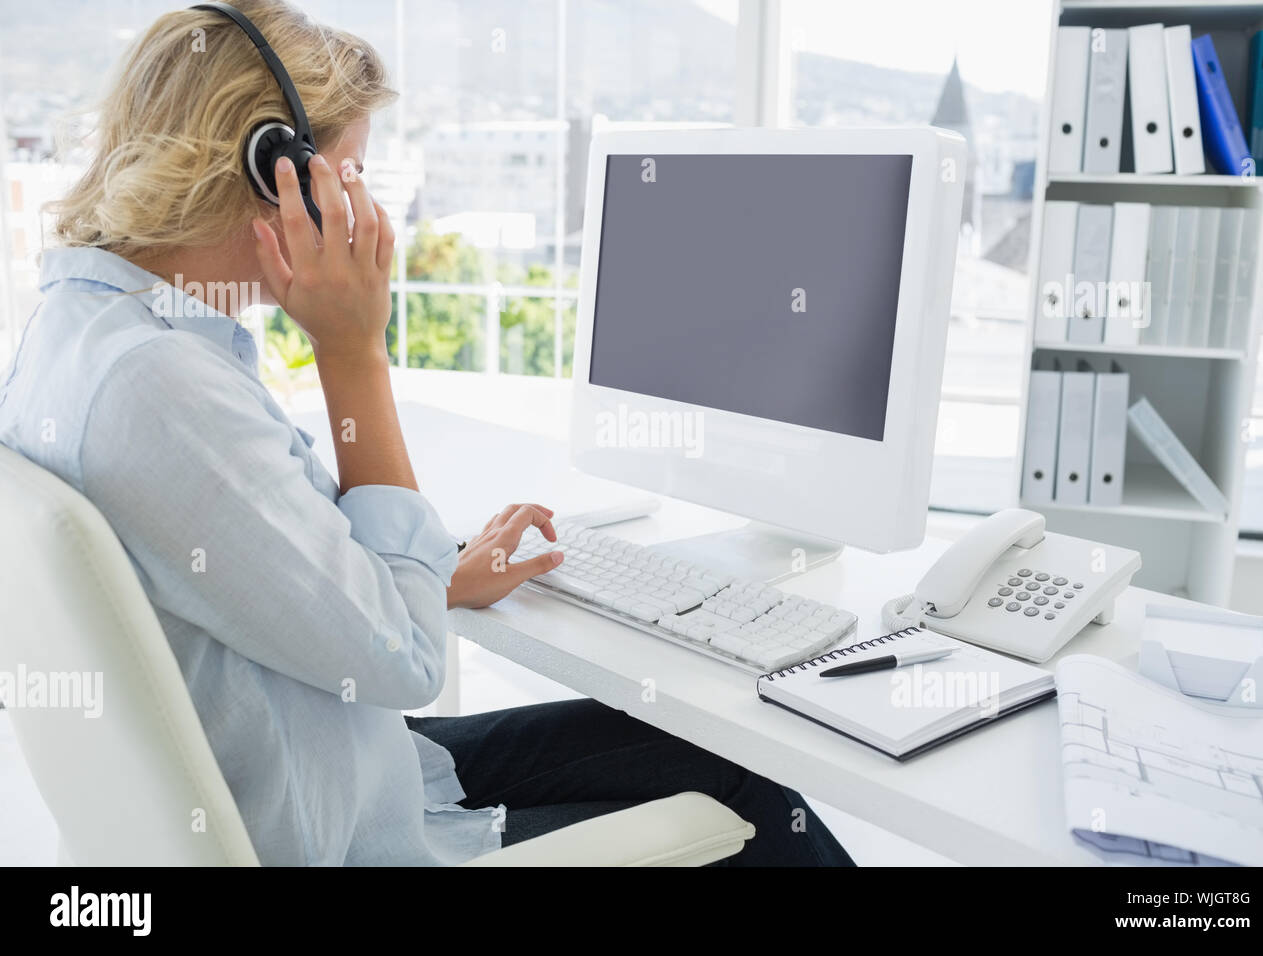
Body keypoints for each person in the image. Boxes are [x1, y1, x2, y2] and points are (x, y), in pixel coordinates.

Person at [0, 0, 853, 866]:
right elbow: (405, 659)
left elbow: (266, 579)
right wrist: (352, 349)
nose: (365, 205)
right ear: (275, 169)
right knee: (749, 804)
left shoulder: (83, 330)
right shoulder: (161, 387)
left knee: (707, 754)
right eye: (355, 170)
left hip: (347, 770)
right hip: (344, 835)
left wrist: (433, 580)